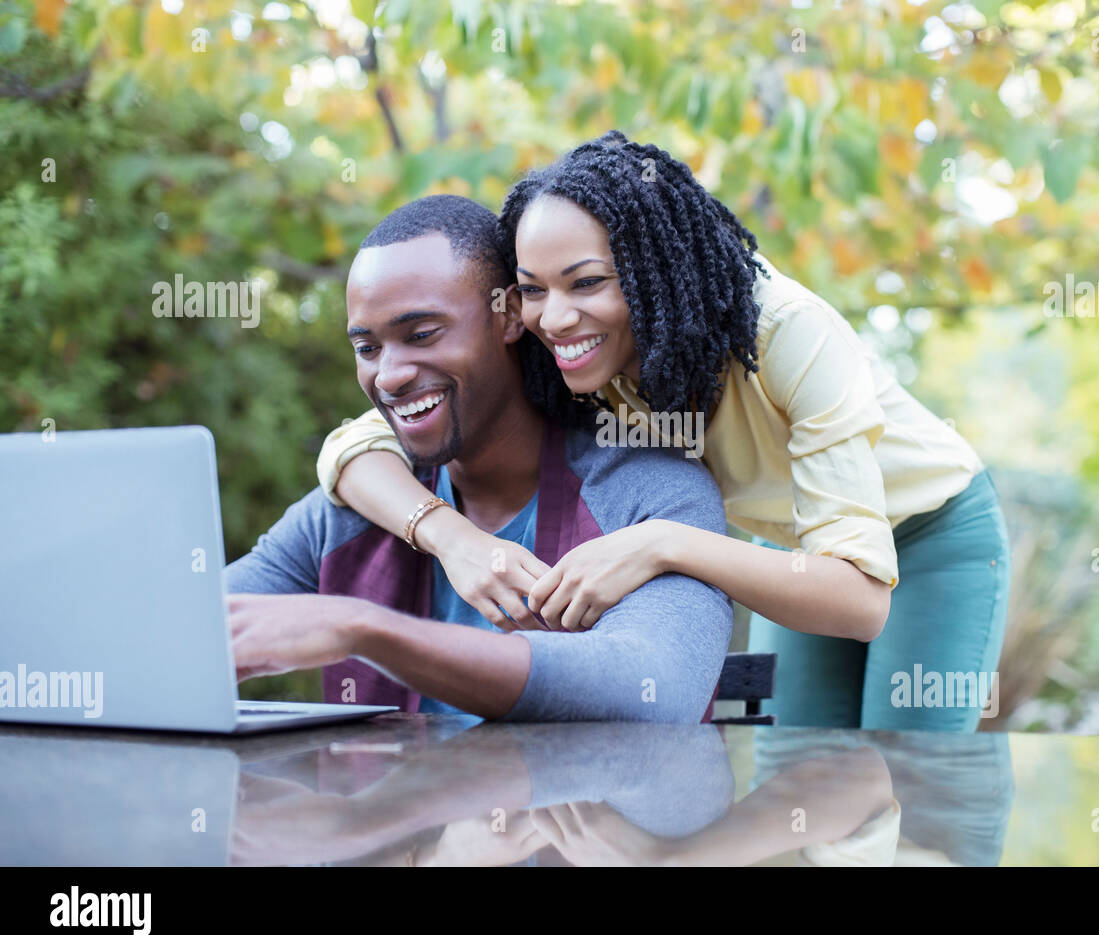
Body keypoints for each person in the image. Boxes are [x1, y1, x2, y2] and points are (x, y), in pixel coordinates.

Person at [313, 132, 1010, 731]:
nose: (553, 318)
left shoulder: (785, 332)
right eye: (532, 288)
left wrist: (661, 543)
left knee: (915, 784)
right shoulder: (565, 345)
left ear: (653, 275)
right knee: (807, 780)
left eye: (587, 282)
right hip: (800, 542)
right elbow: (354, 445)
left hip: (927, 533)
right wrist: (448, 535)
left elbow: (859, 602)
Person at [223, 194, 732, 723]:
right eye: (367, 349)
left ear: (509, 314)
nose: (390, 375)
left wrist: (368, 630)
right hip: (395, 806)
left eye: (421, 335)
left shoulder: (650, 491)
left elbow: (658, 691)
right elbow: (184, 633)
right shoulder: (351, 513)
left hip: (579, 808)